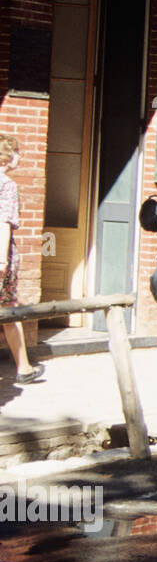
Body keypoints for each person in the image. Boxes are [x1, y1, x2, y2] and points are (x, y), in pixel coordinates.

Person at [0, 135, 44, 385]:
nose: (21, 157)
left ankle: (24, 366)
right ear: (6, 156)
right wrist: (2, 260)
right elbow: (3, 223)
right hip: (1, 253)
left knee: (8, 310)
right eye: (17, 152)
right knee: (8, 308)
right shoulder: (6, 185)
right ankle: (23, 367)